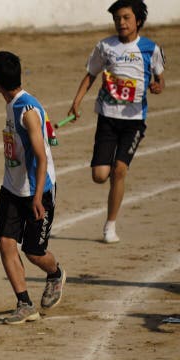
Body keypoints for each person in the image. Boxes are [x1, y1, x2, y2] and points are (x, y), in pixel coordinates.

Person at [67, 0, 165, 243]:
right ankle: (110, 171)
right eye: (117, 19)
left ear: (138, 21)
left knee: (120, 170)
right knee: (100, 175)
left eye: (126, 18)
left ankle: (110, 225)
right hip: (108, 118)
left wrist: (156, 86)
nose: (121, 23)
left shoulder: (150, 49)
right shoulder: (105, 47)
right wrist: (77, 101)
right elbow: (91, 74)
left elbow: (160, 79)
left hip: (133, 121)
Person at [0, 51, 67, 325]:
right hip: (12, 187)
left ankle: (55, 274)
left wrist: (37, 196)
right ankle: (24, 303)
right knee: (5, 241)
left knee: (34, 252)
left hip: (37, 191)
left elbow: (42, 157)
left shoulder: (27, 110)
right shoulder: (14, 104)